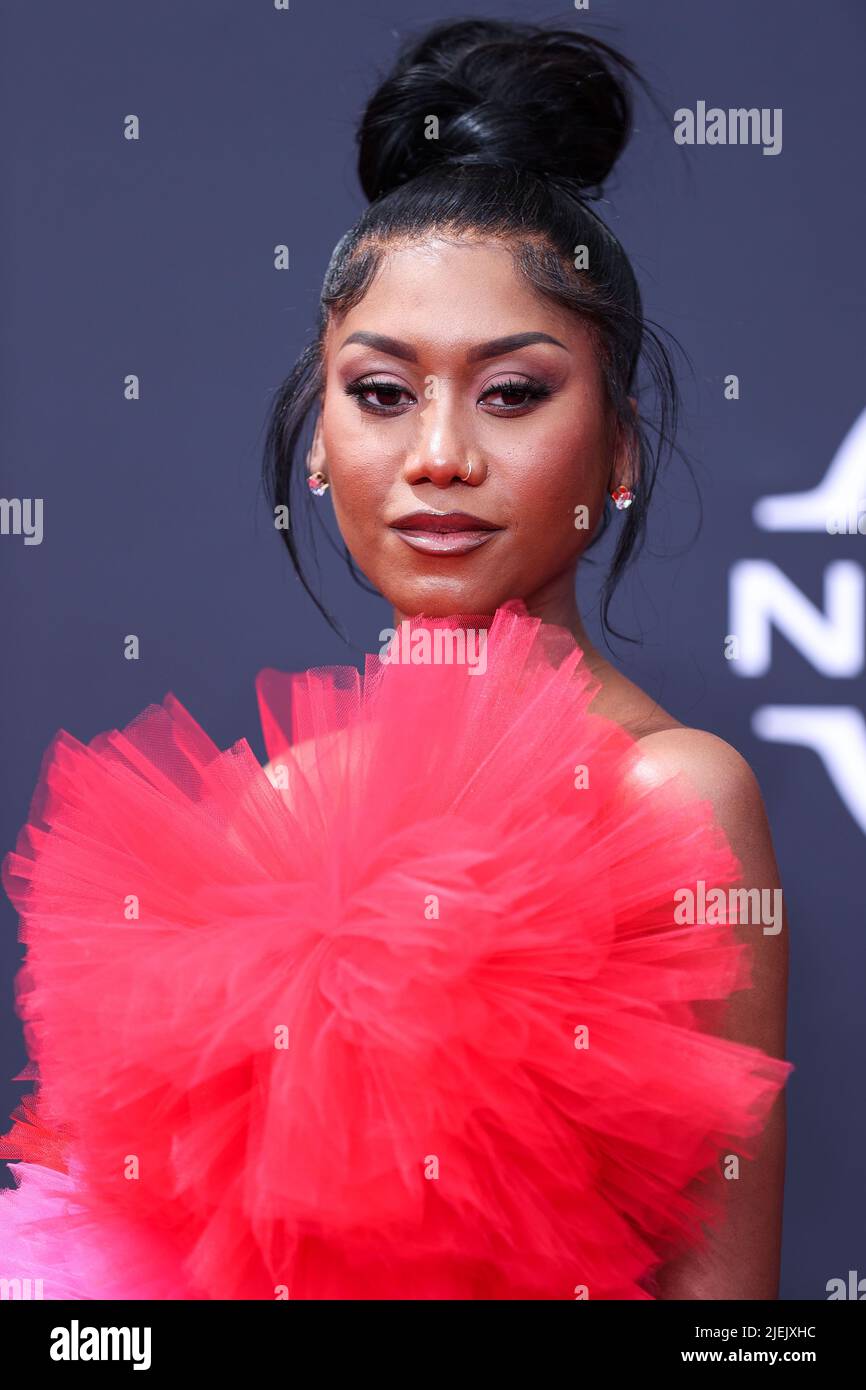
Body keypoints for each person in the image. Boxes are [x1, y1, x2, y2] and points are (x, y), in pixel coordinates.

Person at [0, 18, 791, 1301]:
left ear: (620, 452)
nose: (437, 456)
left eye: (513, 392)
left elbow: (724, 1319)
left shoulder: (671, 800)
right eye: (380, 392)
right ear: (318, 443)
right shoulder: (272, 808)